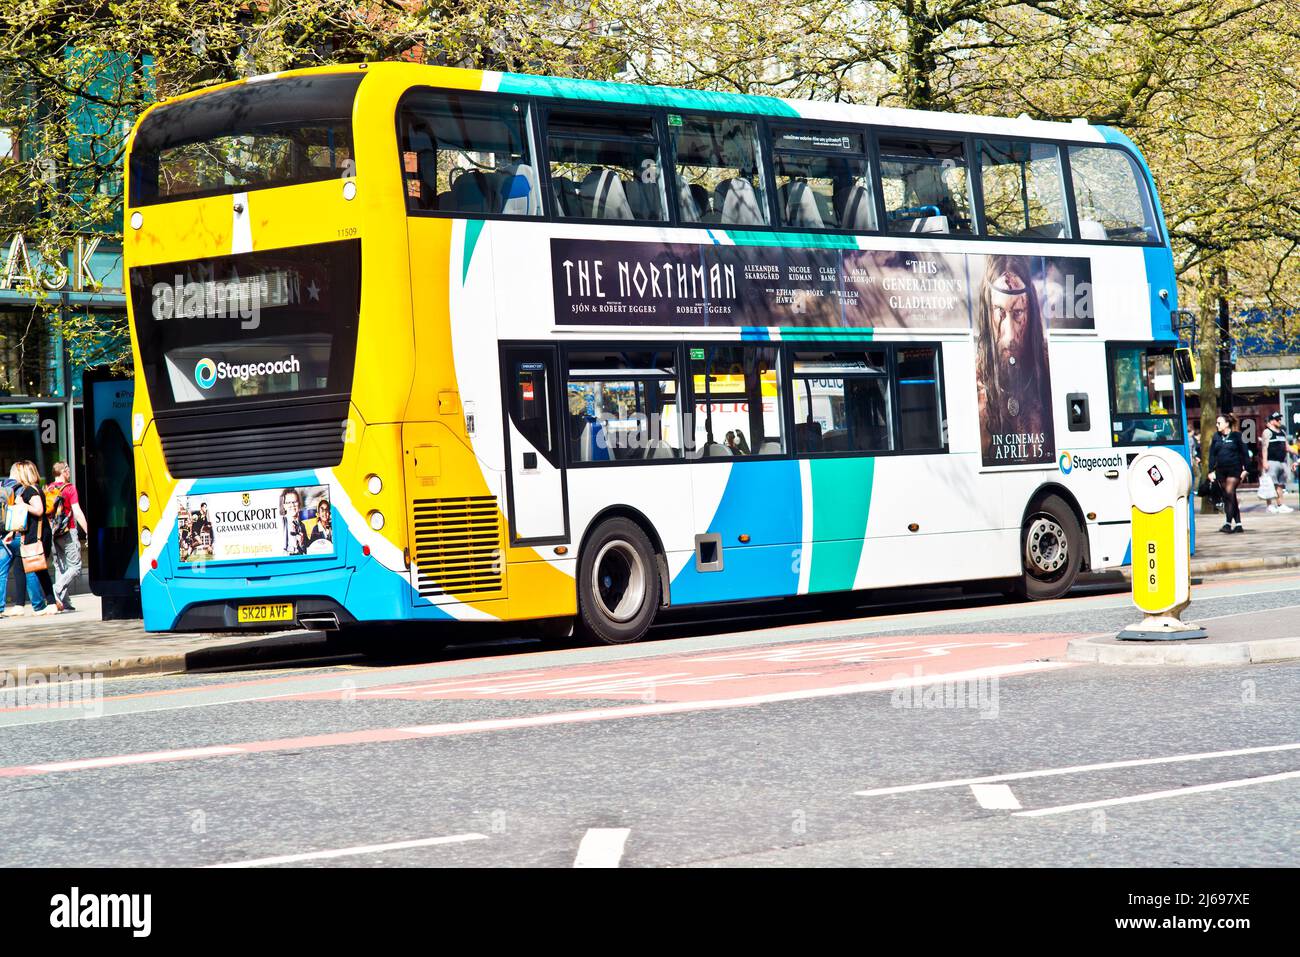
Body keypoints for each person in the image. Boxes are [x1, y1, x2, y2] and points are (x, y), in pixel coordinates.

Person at [975, 255, 1053, 466]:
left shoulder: (1049, 368)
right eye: (999, 313)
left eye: (1018, 313)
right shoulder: (974, 381)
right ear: (987, 314)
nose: (1009, 336)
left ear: (1030, 313)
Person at [5, 461, 56, 614]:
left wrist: (22, 504)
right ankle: (22, 605)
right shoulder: (31, 489)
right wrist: (12, 533)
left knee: (38, 568)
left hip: (36, 535)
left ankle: (49, 603)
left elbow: (39, 510)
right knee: (23, 568)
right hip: (32, 534)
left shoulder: (30, 490)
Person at [44, 461, 88, 612]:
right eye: (68, 469)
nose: (69, 472)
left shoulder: (49, 488)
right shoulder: (69, 489)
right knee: (75, 566)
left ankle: (64, 603)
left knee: (60, 567)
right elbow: (77, 511)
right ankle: (56, 589)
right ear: (63, 472)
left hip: (53, 533)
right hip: (68, 531)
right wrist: (87, 530)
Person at [1209, 414, 1250, 533]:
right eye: (1216, 423)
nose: (1217, 425)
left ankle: (1227, 524)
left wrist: (1246, 469)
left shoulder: (1237, 436)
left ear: (1227, 424)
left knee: (1229, 492)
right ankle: (1238, 524)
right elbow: (1212, 455)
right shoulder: (1216, 437)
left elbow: (1245, 453)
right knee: (1229, 496)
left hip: (1234, 469)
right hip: (1221, 470)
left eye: (1219, 423)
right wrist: (1210, 471)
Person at [1260, 411, 1294, 513]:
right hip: (1271, 462)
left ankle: (1280, 505)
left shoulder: (1282, 432)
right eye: (1277, 419)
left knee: (1280, 485)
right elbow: (1264, 448)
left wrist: (1296, 451)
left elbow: (1287, 447)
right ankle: (1269, 505)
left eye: (1280, 419)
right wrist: (1265, 462)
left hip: (1282, 462)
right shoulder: (1267, 432)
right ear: (1271, 421)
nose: (1279, 421)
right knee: (1270, 484)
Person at [280, 488, 307, 556]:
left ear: (299, 504)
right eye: (288, 502)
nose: (292, 505)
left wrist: (301, 544)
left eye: (295, 502)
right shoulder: (281, 522)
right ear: (284, 506)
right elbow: (280, 551)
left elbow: (305, 550)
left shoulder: (302, 525)